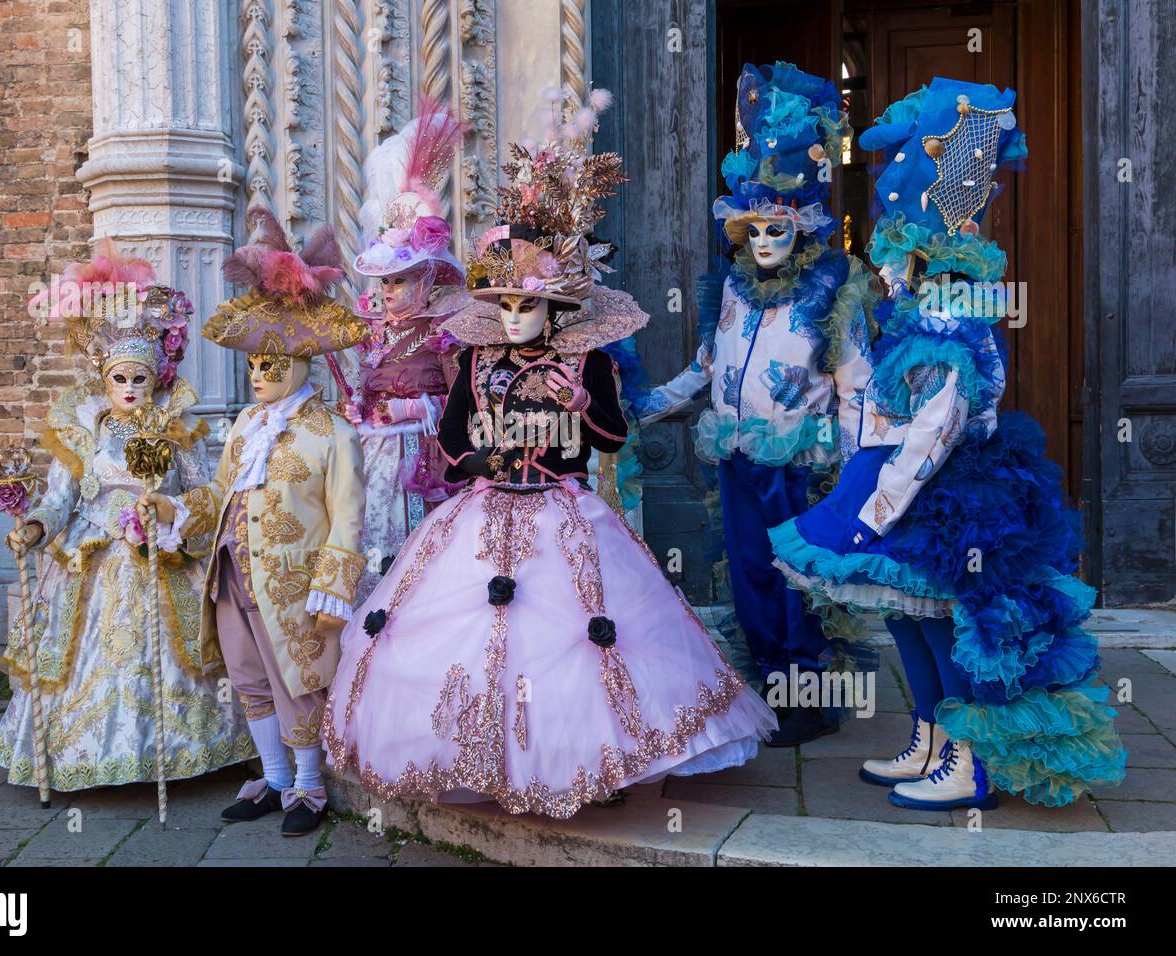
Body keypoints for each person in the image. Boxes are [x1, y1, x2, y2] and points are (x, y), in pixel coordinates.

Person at [323, 89, 778, 819]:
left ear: (554, 306)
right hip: (483, 516)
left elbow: (610, 436)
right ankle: (482, 761)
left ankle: (595, 765)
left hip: (563, 514)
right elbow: (453, 438)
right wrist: (486, 462)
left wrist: (578, 409)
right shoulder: (474, 361)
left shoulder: (586, 360)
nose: (512, 319)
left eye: (525, 305)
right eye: (501, 306)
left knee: (583, 640)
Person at [770, 79, 1126, 810]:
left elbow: (934, 436)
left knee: (945, 625)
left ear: (935, 265)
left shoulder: (952, 332)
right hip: (899, 490)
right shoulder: (915, 322)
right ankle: (930, 737)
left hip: (945, 502)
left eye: (898, 259)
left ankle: (970, 762)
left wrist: (877, 506)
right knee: (905, 615)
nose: (886, 272)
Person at [640, 63, 879, 746]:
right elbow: (704, 370)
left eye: (780, 228)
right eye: (755, 229)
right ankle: (775, 681)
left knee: (799, 578)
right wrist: (644, 406)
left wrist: (864, 474)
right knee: (749, 573)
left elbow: (856, 384)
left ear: (801, 229)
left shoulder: (832, 293)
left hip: (801, 461)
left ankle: (808, 690)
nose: (767, 240)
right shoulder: (732, 293)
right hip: (739, 454)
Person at [0, 244, 255, 790]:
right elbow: (61, 497)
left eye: (139, 379)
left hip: (161, 548)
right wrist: (35, 527)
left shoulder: (177, 430)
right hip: (92, 552)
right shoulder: (86, 433)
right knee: (83, 653)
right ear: (106, 383)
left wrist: (170, 512)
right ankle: (80, 755)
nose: (131, 389)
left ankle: (183, 753)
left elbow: (204, 492)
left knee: (169, 649)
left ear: (155, 380)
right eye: (121, 380)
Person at [139, 209, 369, 836]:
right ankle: (272, 777)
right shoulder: (244, 425)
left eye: (274, 365)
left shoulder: (334, 433)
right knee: (249, 679)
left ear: (303, 363)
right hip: (232, 574)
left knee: (297, 680)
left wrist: (333, 587)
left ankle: (310, 785)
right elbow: (219, 491)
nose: (261, 375)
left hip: (294, 582)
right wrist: (175, 512)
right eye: (255, 366)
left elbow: (350, 520)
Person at [346, 98, 472, 600]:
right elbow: (365, 390)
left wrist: (421, 406)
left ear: (424, 276)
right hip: (374, 462)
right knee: (374, 551)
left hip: (427, 459)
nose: (389, 291)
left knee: (426, 562)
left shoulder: (445, 328)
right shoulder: (372, 330)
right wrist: (358, 408)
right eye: (385, 281)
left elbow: (468, 401)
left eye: (400, 280)